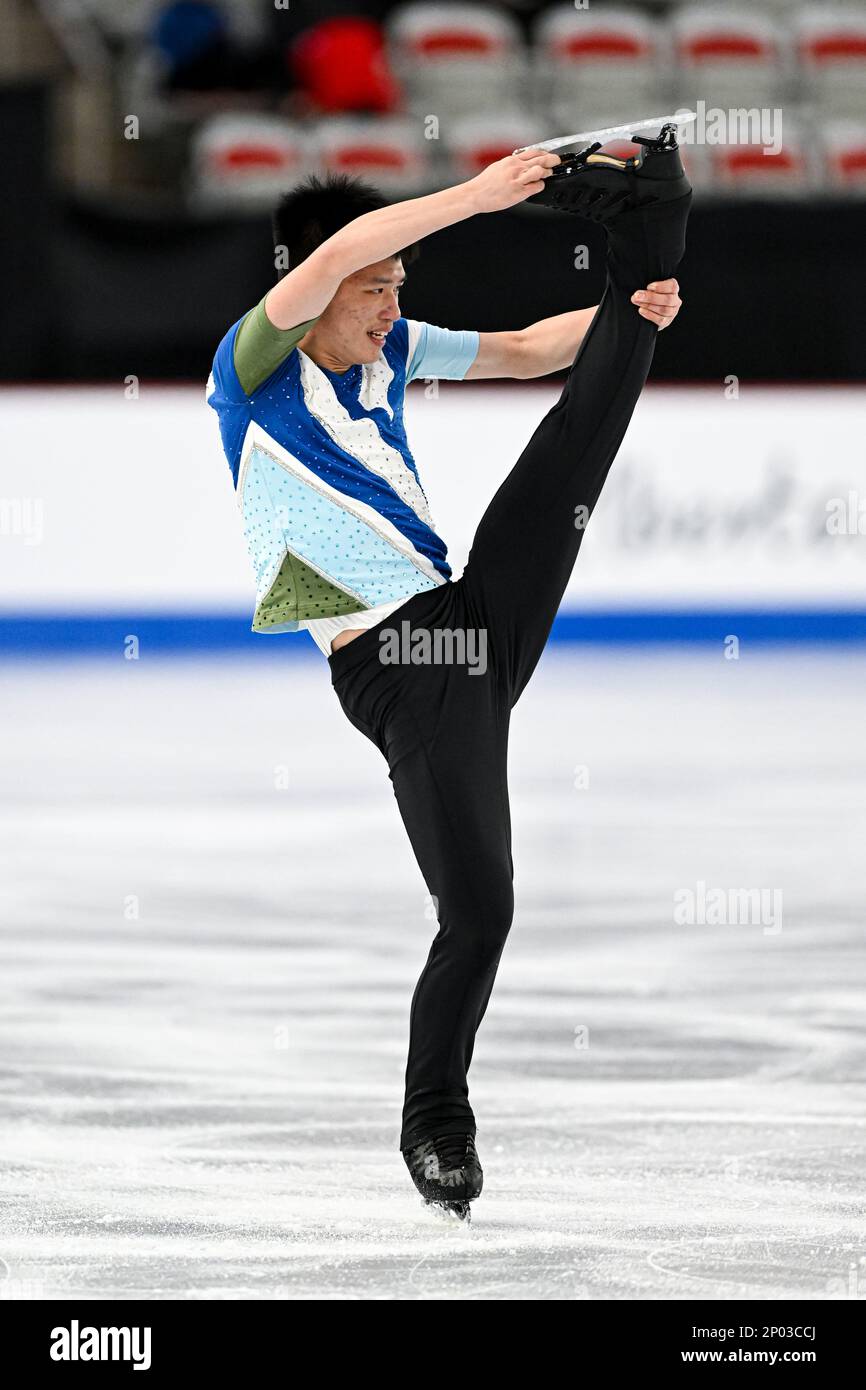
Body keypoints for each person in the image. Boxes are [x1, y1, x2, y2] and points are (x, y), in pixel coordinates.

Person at [207, 129, 691, 1218]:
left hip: (468, 620)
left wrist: (626, 317)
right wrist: (472, 196)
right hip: (398, 661)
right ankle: (434, 1121)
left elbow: (523, 351)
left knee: (578, 438)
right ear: (305, 281)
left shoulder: (389, 352)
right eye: (370, 288)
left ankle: (647, 232)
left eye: (395, 289)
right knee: (479, 909)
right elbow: (341, 257)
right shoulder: (251, 373)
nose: (385, 306)